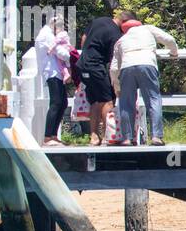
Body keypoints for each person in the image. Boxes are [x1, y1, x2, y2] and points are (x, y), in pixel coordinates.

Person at [112, 17, 178, 146]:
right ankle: (156, 136)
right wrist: (174, 53)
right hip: (147, 64)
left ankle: (127, 138)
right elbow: (169, 40)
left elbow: (114, 67)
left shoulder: (121, 40)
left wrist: (117, 86)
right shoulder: (148, 29)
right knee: (153, 99)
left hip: (127, 67)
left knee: (126, 103)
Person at [77, 11, 126, 146]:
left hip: (83, 65)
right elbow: (114, 59)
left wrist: (86, 54)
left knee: (94, 101)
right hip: (96, 66)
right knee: (107, 101)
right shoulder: (116, 34)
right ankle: (107, 136)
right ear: (124, 23)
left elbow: (84, 38)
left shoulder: (100, 20)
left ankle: (94, 136)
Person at [34, 14, 73, 146]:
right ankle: (47, 136)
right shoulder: (46, 35)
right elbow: (60, 52)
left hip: (57, 72)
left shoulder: (49, 34)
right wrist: (71, 57)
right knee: (56, 102)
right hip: (51, 72)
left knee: (62, 103)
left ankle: (53, 135)